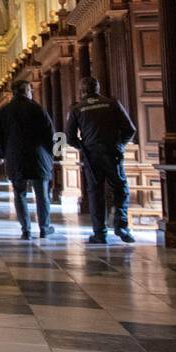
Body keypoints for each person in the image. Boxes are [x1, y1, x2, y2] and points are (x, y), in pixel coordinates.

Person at [66, 76, 137, 245]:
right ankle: (121, 225)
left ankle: (100, 233)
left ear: (82, 90)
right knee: (120, 189)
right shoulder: (112, 103)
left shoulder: (77, 109)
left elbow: (69, 138)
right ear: (97, 88)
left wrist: (83, 148)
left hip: (91, 156)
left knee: (95, 193)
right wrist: (119, 144)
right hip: (112, 152)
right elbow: (130, 129)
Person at [0, 81, 56, 239]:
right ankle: (44, 227)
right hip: (38, 157)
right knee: (42, 194)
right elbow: (51, 133)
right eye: (30, 89)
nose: (31, 92)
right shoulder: (37, 108)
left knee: (19, 193)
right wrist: (52, 155)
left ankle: (26, 230)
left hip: (15, 158)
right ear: (26, 90)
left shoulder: (4, 112)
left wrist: (3, 154)